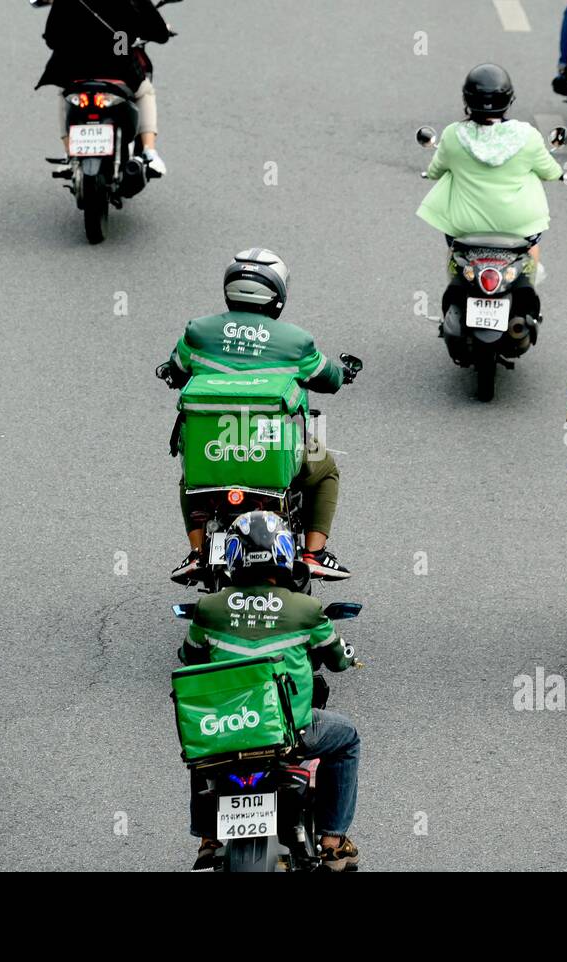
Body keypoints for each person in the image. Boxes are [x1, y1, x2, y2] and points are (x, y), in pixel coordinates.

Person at [181, 511, 361, 871]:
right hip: (289, 733)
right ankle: (332, 840)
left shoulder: (209, 608)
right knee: (347, 740)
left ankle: (207, 838)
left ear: (233, 557)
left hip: (227, 727)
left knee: (205, 750)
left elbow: (189, 657)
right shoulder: (305, 608)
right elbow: (339, 660)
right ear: (283, 555)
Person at [161, 248, 354, 583]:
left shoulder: (198, 332)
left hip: (213, 451)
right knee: (325, 469)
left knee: (190, 477)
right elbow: (330, 379)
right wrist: (343, 372)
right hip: (271, 452)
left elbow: (176, 369)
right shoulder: (296, 341)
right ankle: (314, 552)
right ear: (276, 295)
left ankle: (196, 553)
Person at [417, 64, 562, 267]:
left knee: (454, 251)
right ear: (509, 99)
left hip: (465, 226)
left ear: (466, 99)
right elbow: (551, 172)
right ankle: (528, 285)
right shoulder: (528, 137)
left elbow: (435, 171)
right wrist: (559, 173)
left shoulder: (453, 135)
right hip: (518, 224)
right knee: (531, 247)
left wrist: (431, 174)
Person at [35, 0, 173, 176]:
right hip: (119, 72)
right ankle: (149, 151)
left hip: (78, 72)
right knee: (145, 91)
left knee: (65, 93)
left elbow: (52, 38)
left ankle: (70, 152)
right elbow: (159, 33)